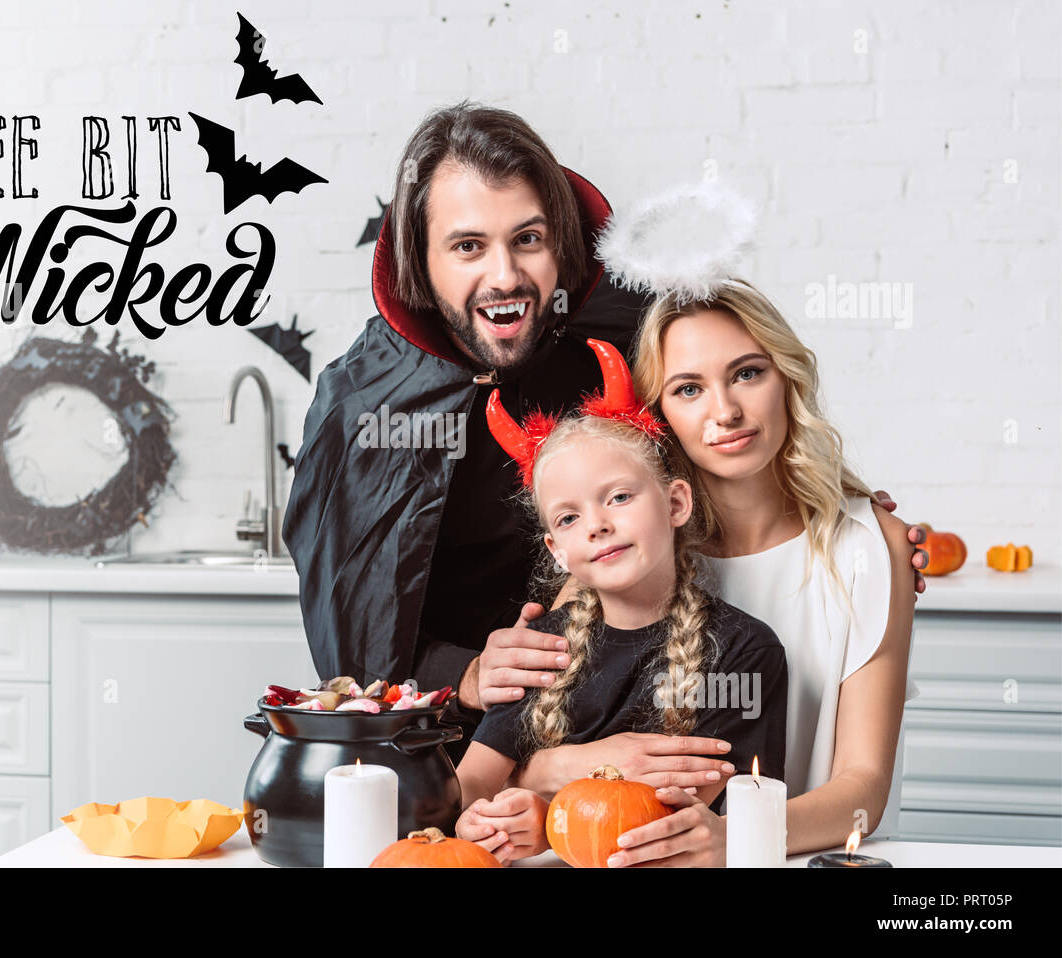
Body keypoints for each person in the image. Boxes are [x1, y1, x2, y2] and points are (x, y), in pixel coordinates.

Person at [282, 101, 928, 779]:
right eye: (468, 246)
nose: (504, 276)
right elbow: (353, 633)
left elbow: (726, 422)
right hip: (451, 751)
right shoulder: (364, 406)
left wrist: (855, 524)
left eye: (528, 239)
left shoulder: (615, 330)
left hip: (632, 722)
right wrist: (467, 673)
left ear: (561, 241)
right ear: (422, 256)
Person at [499, 274, 920, 866]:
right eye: (689, 388)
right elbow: (535, 747)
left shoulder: (872, 547)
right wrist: (552, 766)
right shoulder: (626, 554)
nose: (725, 411)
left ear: (786, 378)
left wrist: (740, 838)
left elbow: (864, 790)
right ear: (660, 414)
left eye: (748, 373)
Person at [451, 339, 787, 864]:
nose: (598, 525)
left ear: (676, 502)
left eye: (619, 497)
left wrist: (549, 816)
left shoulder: (743, 650)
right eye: (568, 518)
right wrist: (479, 819)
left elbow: (683, 815)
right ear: (557, 551)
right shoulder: (540, 650)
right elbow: (471, 782)